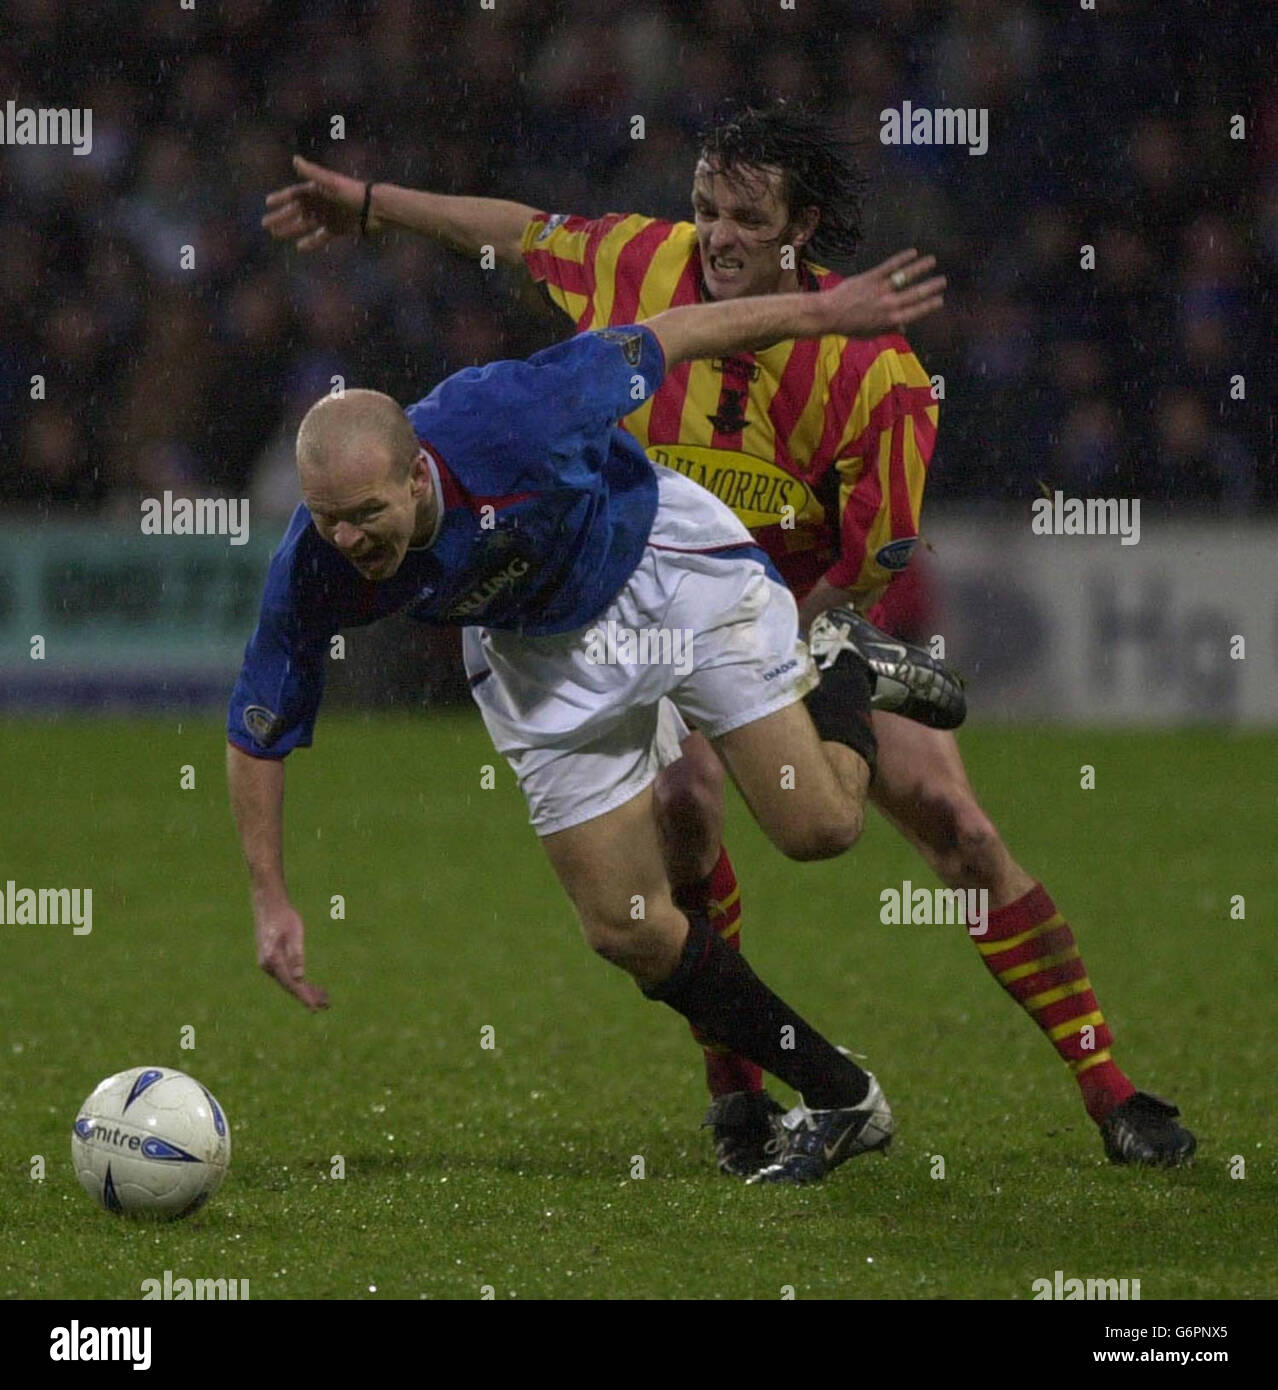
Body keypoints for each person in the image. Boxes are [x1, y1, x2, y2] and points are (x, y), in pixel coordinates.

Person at [260, 101, 1194, 1173]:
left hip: (807, 613)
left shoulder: (877, 372)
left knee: (956, 826)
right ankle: (739, 1099)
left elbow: (868, 563)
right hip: (643, 599)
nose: (717, 235)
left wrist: (792, 650)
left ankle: (1111, 1090)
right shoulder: (638, 265)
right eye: (706, 207)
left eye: (748, 217)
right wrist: (371, 206)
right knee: (684, 813)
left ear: (803, 230)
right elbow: (515, 231)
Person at [227, 247, 964, 1186]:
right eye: (327, 517)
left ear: (417, 476)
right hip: (535, 652)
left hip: (661, 571)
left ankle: (846, 665)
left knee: (819, 829)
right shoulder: (315, 562)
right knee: (623, 925)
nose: (347, 539)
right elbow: (256, 731)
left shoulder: (514, 413)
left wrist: (827, 315)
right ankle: (841, 1094)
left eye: (365, 514)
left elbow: (671, 334)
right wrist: (271, 898)